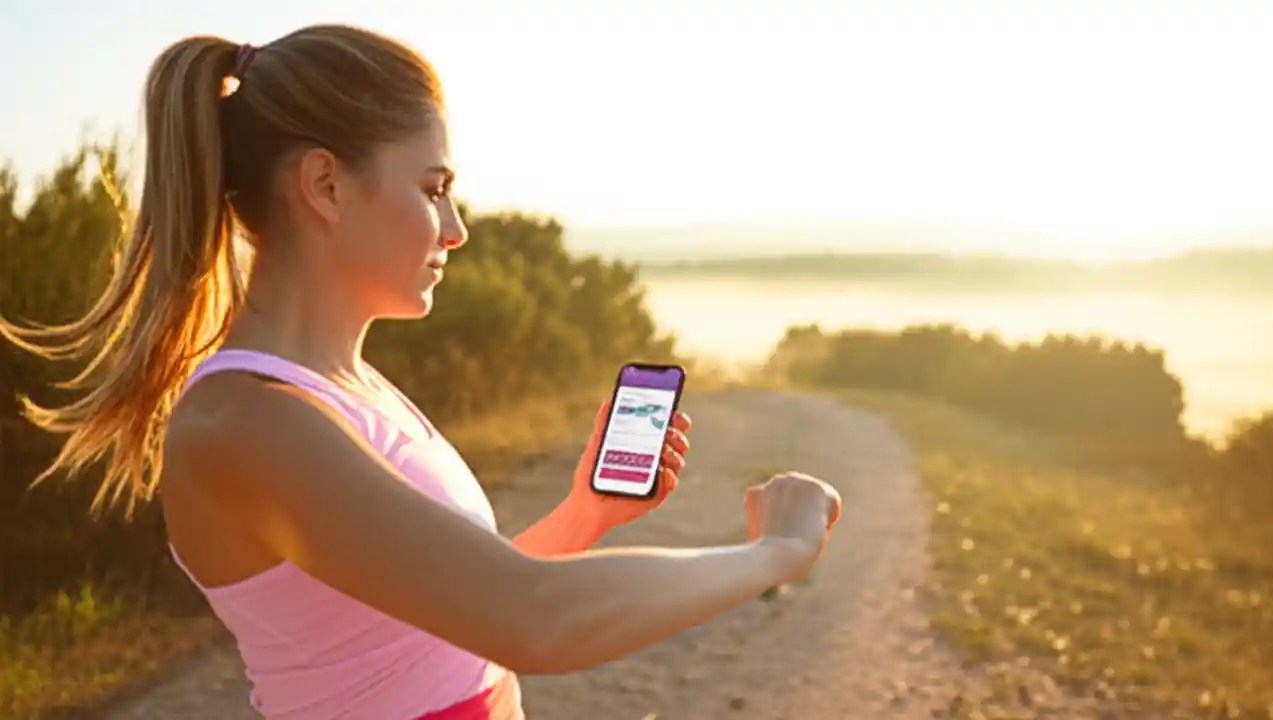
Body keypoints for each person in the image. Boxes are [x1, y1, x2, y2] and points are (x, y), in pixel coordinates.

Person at [1, 24, 842, 720]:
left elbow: (438, 624)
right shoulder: (247, 422)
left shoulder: (345, 387)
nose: (456, 229)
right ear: (325, 184)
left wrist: (583, 517)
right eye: (433, 187)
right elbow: (532, 622)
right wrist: (779, 551)